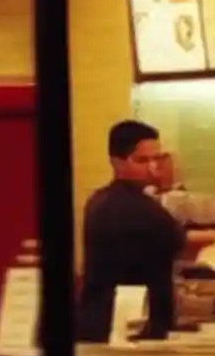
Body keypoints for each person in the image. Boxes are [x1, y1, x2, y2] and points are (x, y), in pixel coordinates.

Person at [75, 120, 187, 342]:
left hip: (104, 321)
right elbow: (179, 240)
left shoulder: (99, 199)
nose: (153, 167)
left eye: (157, 159)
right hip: (127, 326)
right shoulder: (133, 207)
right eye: (142, 160)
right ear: (116, 162)